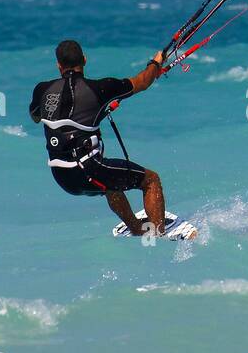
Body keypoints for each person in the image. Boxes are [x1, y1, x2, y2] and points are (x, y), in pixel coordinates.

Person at [29, 39, 169, 235]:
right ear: (84, 60)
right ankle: (159, 235)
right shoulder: (101, 89)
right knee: (151, 180)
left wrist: (96, 111)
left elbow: (37, 117)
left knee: (111, 184)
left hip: (61, 176)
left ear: (58, 65)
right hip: (89, 171)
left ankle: (137, 228)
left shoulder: (42, 90)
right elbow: (143, 81)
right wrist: (156, 63)